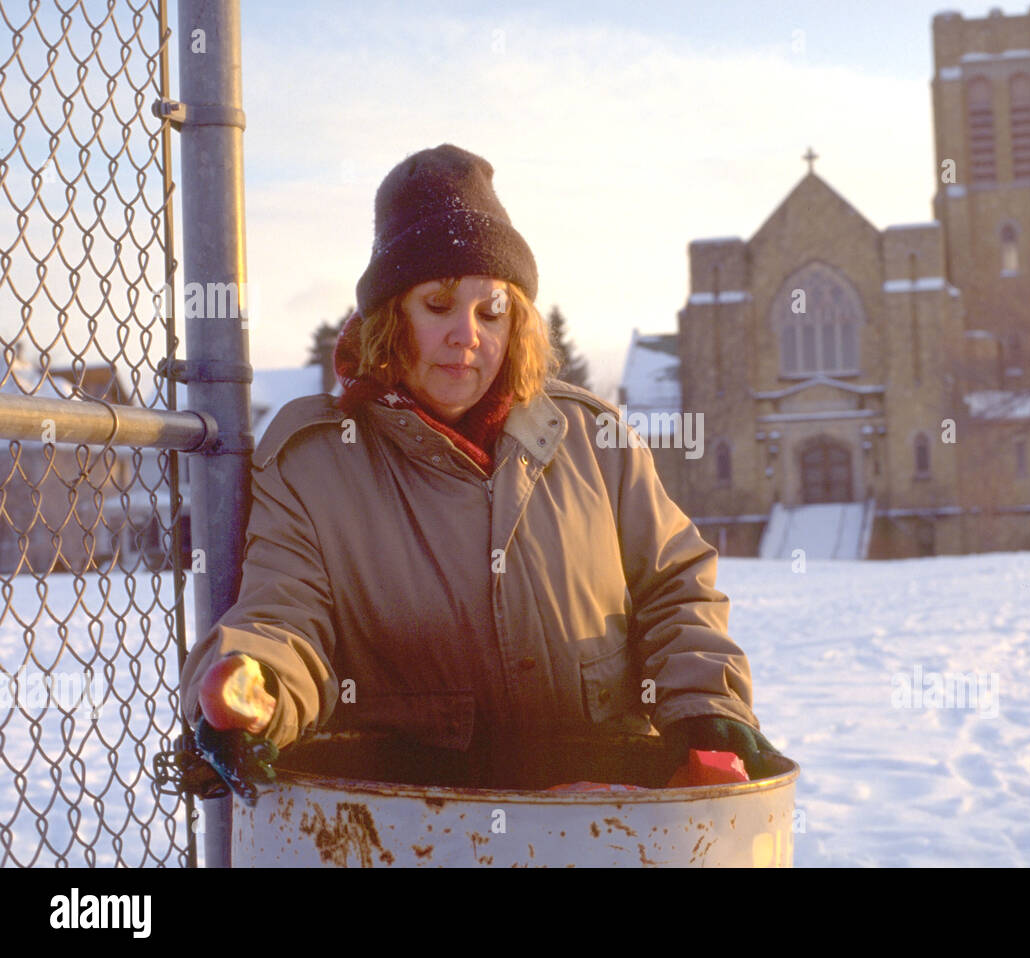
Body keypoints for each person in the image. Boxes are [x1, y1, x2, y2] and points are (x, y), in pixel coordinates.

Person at [178, 144, 780, 802]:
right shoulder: (315, 457)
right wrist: (256, 689)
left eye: (490, 311)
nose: (467, 334)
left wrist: (707, 708)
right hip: (412, 828)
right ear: (389, 316)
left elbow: (674, 586)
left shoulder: (595, 439)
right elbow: (283, 614)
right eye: (438, 305)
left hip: (606, 819)